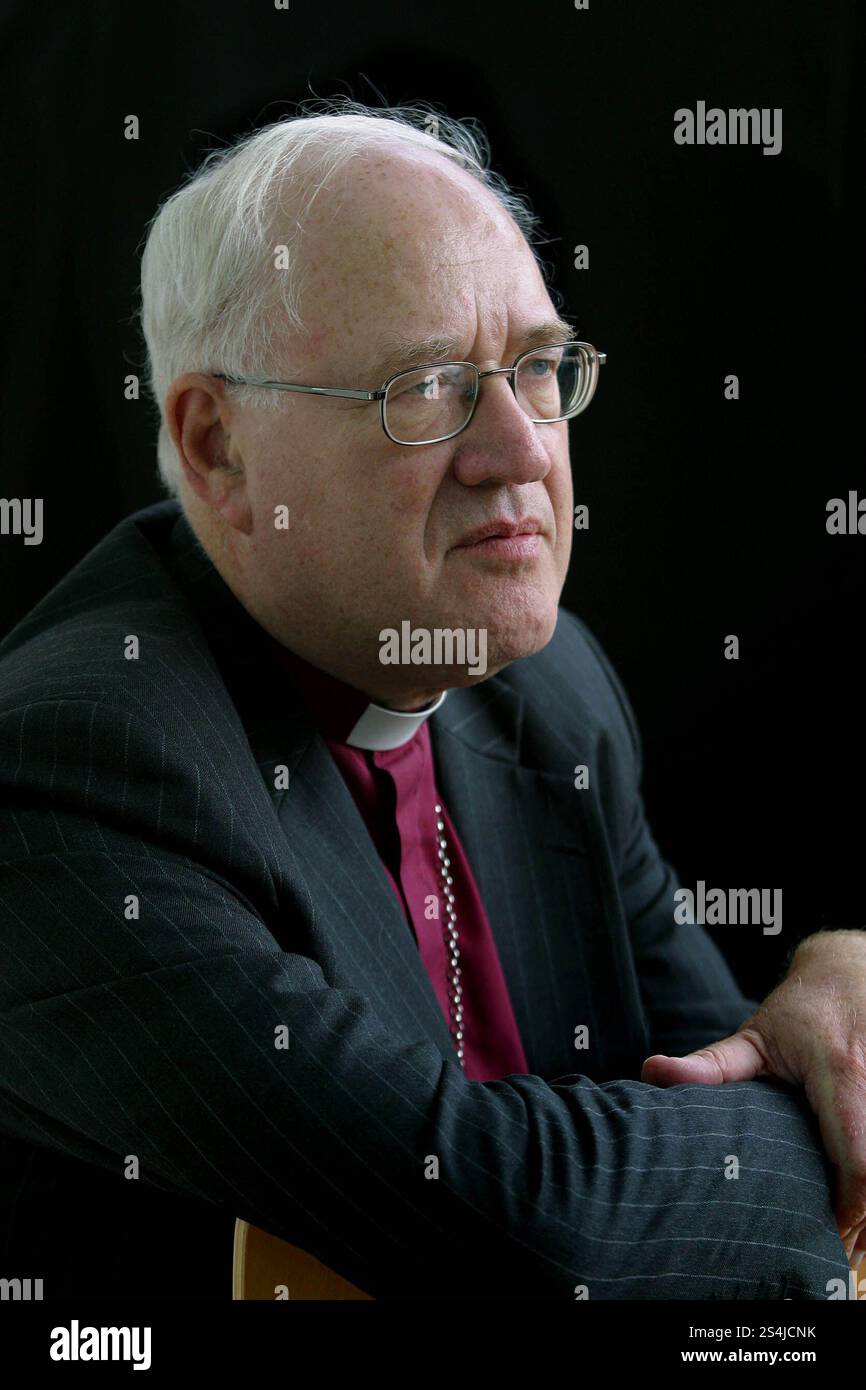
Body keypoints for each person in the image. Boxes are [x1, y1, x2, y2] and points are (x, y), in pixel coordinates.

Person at [0, 101, 862, 1301]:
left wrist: (832, 1004)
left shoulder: (546, 691)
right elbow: (518, 1231)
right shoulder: (67, 766)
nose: (520, 451)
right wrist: (818, 1129)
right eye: (426, 386)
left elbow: (717, 1072)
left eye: (538, 368)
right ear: (217, 448)